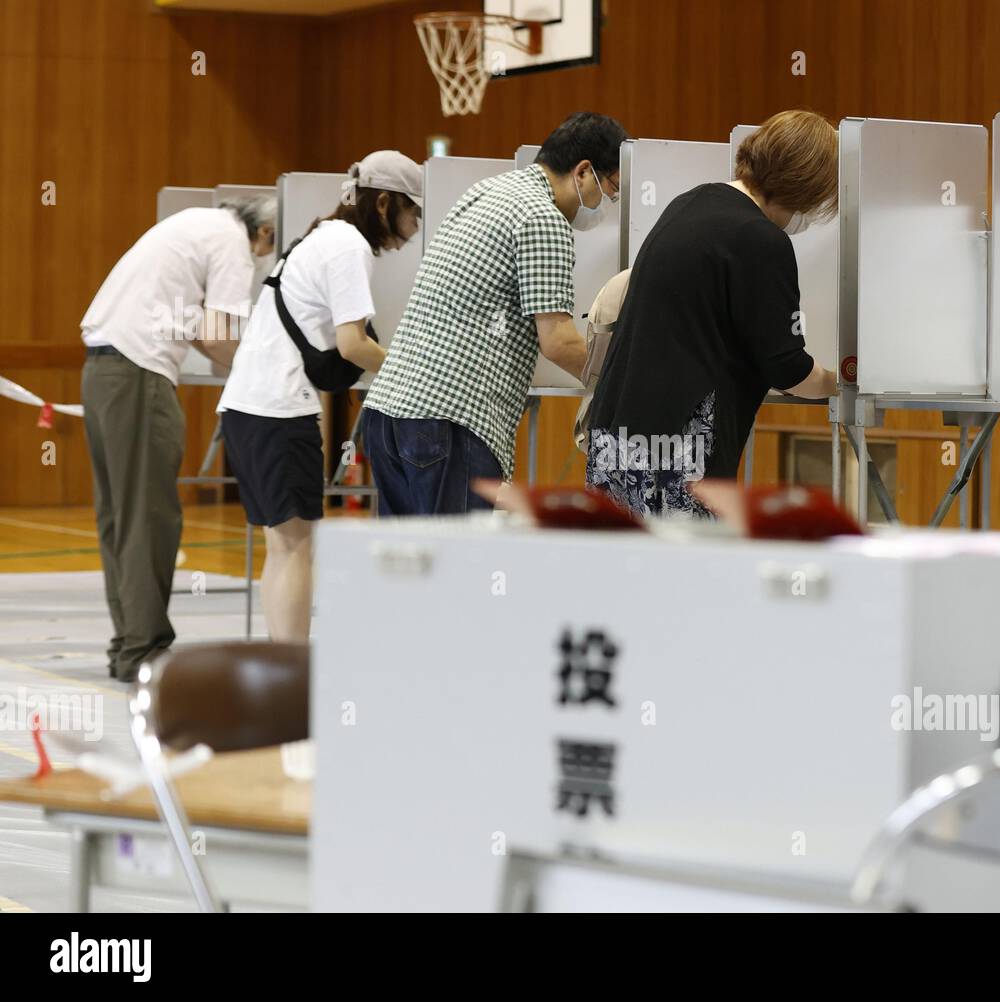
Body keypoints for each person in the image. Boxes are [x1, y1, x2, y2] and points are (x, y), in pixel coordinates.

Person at [361, 111, 629, 515]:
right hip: (451, 421)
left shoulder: (487, 191)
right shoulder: (543, 218)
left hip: (388, 414)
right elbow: (558, 341)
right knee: (459, 567)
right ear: (584, 171)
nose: (608, 202)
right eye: (611, 189)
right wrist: (622, 388)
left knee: (411, 569)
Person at [585, 110, 839, 518]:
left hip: (618, 435)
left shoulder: (688, 204)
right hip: (681, 452)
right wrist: (839, 379)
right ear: (803, 185)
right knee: (685, 577)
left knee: (625, 573)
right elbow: (788, 369)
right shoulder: (760, 240)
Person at [217, 152, 423, 641]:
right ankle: (293, 673)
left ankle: (282, 664)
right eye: (413, 211)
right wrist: (414, 373)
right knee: (296, 548)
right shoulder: (348, 245)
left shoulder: (318, 237)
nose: (415, 225)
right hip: (279, 411)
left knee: (283, 547)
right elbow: (353, 344)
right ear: (383, 204)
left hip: (246, 409)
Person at [81, 194, 276, 683]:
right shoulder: (232, 244)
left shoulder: (195, 222)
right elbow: (217, 340)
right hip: (138, 375)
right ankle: (144, 652)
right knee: (150, 519)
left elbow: (204, 337)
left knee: (121, 519)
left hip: (101, 370)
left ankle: (129, 645)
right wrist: (273, 371)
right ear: (265, 235)